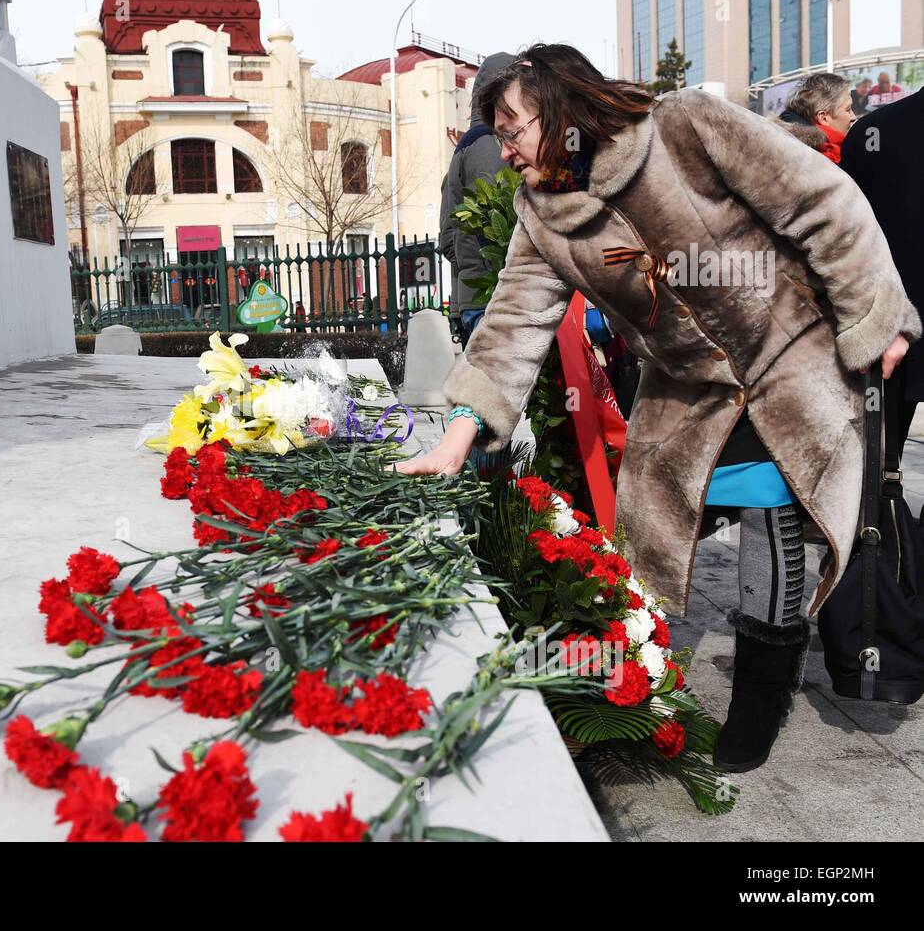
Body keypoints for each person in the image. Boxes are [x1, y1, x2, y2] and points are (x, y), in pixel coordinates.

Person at [396, 44, 919, 772]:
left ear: (557, 109)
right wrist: (459, 433)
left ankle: (759, 701)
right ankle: (638, 686)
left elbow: (820, 200)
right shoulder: (541, 213)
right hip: (686, 385)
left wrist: (876, 315)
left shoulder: (688, 126)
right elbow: (513, 323)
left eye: (512, 130)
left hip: (786, 355)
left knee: (773, 512)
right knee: (645, 529)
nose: (505, 150)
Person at [842, 90, 924, 468]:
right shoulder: (870, 132)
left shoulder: (871, 131)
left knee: (877, 474)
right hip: (888, 327)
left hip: (886, 322)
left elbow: (844, 238)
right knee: (875, 474)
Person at [439, 52, 517, 347]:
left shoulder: (467, 144)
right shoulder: (490, 144)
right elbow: (498, 221)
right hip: (493, 299)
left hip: (476, 300)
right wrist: (480, 269)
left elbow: (448, 236)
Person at [773, 72, 853, 163]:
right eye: (848, 109)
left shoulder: (792, 151)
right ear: (823, 118)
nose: (853, 117)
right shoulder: (806, 160)